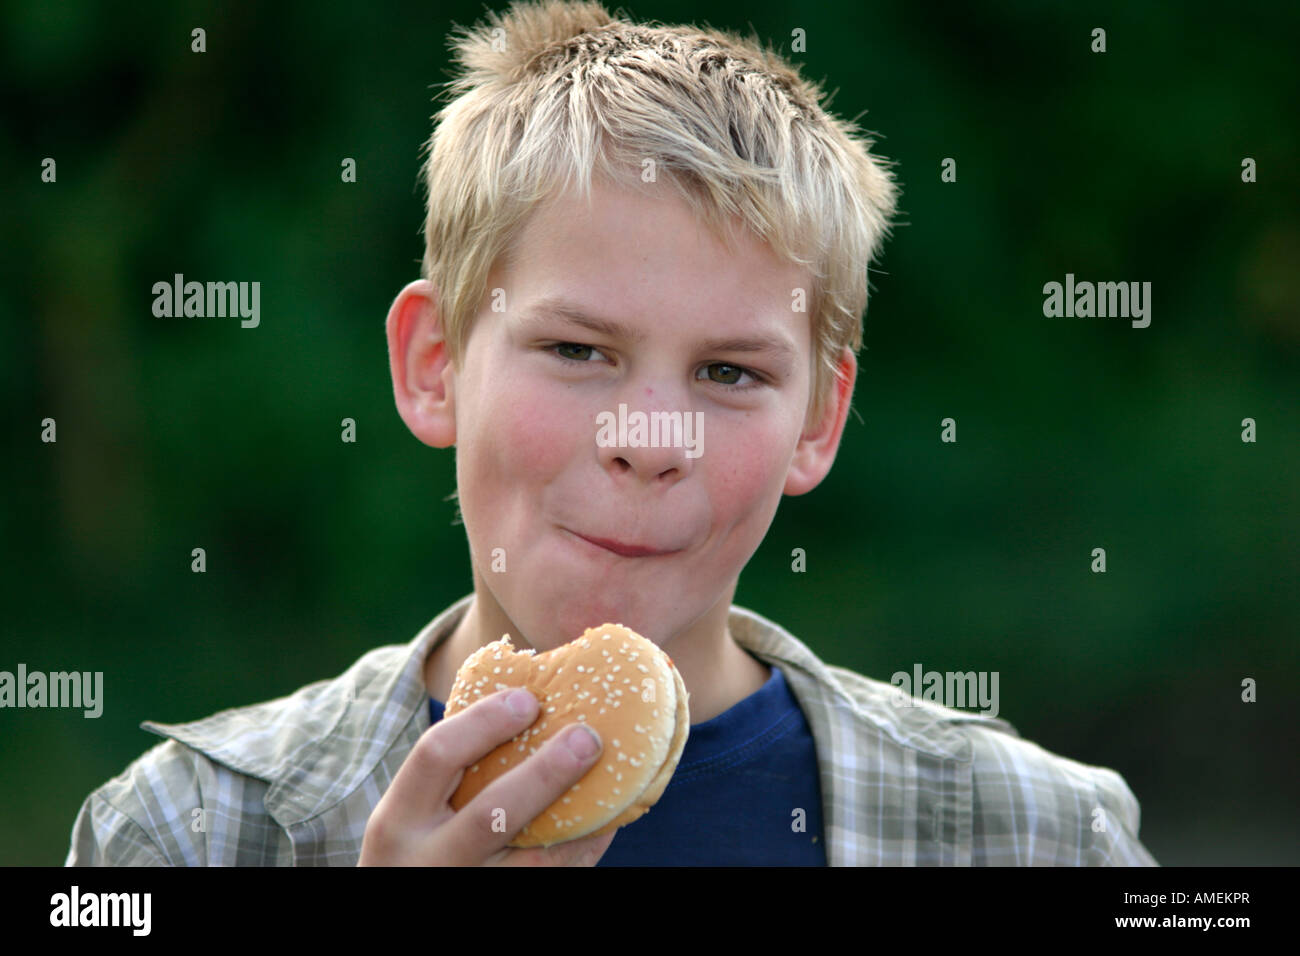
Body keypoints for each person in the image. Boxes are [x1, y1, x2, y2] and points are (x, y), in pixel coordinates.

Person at [66, 0, 1156, 866]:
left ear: (819, 420)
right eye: (579, 351)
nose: (647, 437)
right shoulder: (187, 831)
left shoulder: (1035, 834)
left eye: (729, 371)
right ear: (434, 365)